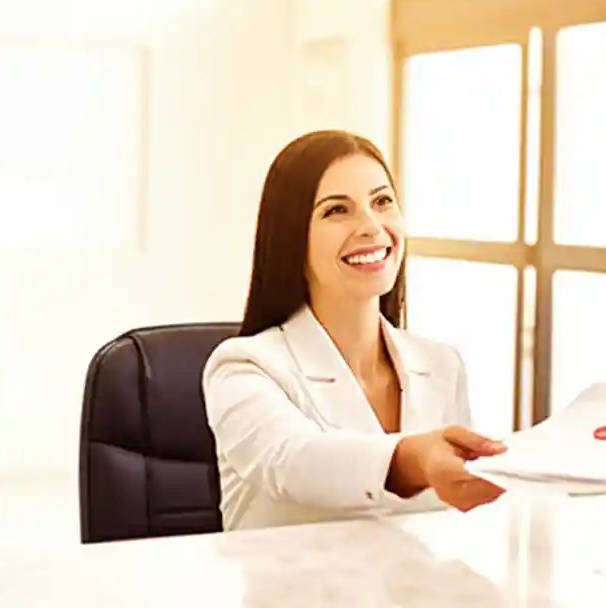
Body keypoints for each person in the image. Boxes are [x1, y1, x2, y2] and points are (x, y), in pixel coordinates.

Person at [202, 130, 506, 530]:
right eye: (336, 211)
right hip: (288, 592)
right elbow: (294, 462)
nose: (371, 226)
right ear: (292, 237)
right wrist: (413, 458)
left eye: (382, 202)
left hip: (418, 591)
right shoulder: (243, 368)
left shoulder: (442, 365)